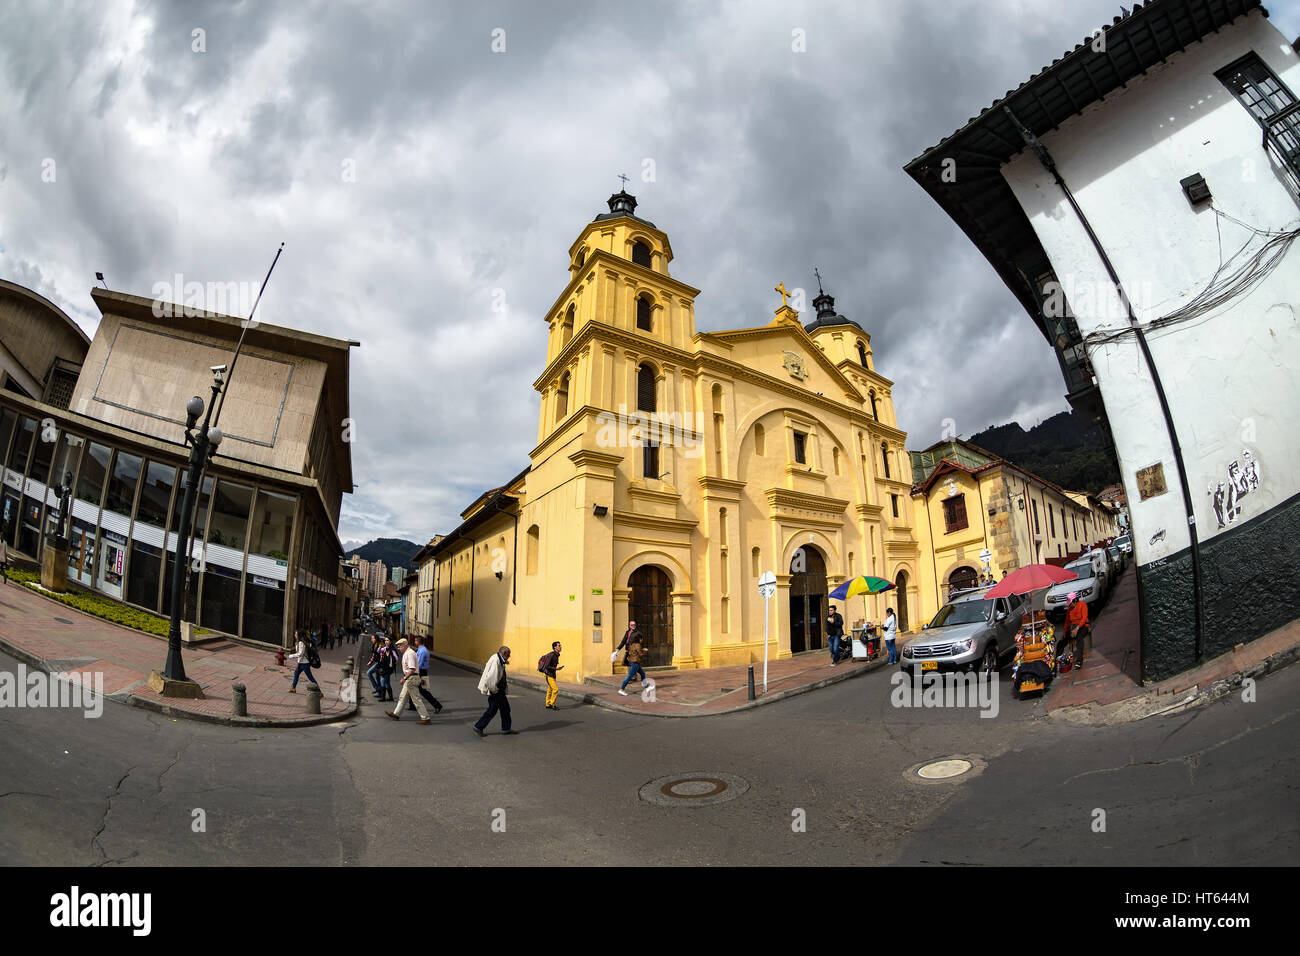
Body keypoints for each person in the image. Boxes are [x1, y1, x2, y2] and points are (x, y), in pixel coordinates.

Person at [386, 638, 431, 723]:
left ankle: (425, 718)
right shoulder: (408, 653)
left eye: (399, 647)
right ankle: (396, 714)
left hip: (411, 678)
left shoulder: (409, 654)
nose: (398, 649)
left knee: (416, 699)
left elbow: (412, 669)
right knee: (402, 697)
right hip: (410, 678)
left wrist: (404, 678)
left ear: (404, 645)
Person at [473, 646, 515, 736]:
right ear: (503, 653)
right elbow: (491, 678)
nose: (509, 656)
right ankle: (478, 727)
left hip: (499, 690)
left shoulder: (499, 658)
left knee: (505, 709)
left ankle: (506, 728)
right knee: (492, 710)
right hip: (496, 690)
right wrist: (494, 691)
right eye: (508, 654)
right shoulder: (496, 661)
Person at [407, 635, 443, 714]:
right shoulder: (421, 650)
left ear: (418, 641)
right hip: (421, 671)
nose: (414, 642)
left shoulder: (423, 651)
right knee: (412, 686)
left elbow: (418, 664)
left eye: (415, 641)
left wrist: (412, 671)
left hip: (421, 672)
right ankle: (412, 705)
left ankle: (437, 705)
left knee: (423, 690)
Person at [286, 628, 319, 693]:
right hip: (301, 662)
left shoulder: (301, 643)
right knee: (296, 673)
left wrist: (291, 656)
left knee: (310, 677)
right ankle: (293, 688)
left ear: (299, 635)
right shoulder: (300, 642)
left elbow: (300, 653)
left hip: (305, 663)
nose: (294, 635)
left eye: (295, 634)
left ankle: (319, 691)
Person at [1063, 592, 1090, 669]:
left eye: (1071, 603)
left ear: (1075, 601)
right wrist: (1065, 632)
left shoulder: (1082, 605)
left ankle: (1079, 661)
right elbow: (1067, 622)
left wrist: (1076, 629)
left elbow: (1084, 618)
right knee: (1062, 642)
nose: (1070, 605)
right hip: (1073, 627)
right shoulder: (1069, 609)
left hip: (1083, 626)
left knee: (1079, 637)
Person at [540, 641, 563, 709]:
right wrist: (556, 668)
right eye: (559, 645)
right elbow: (547, 666)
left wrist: (555, 669)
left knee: (550, 689)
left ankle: (548, 704)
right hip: (548, 674)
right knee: (555, 689)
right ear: (555, 647)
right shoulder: (551, 655)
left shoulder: (557, 654)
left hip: (552, 674)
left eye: (560, 645)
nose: (560, 647)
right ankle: (552, 704)